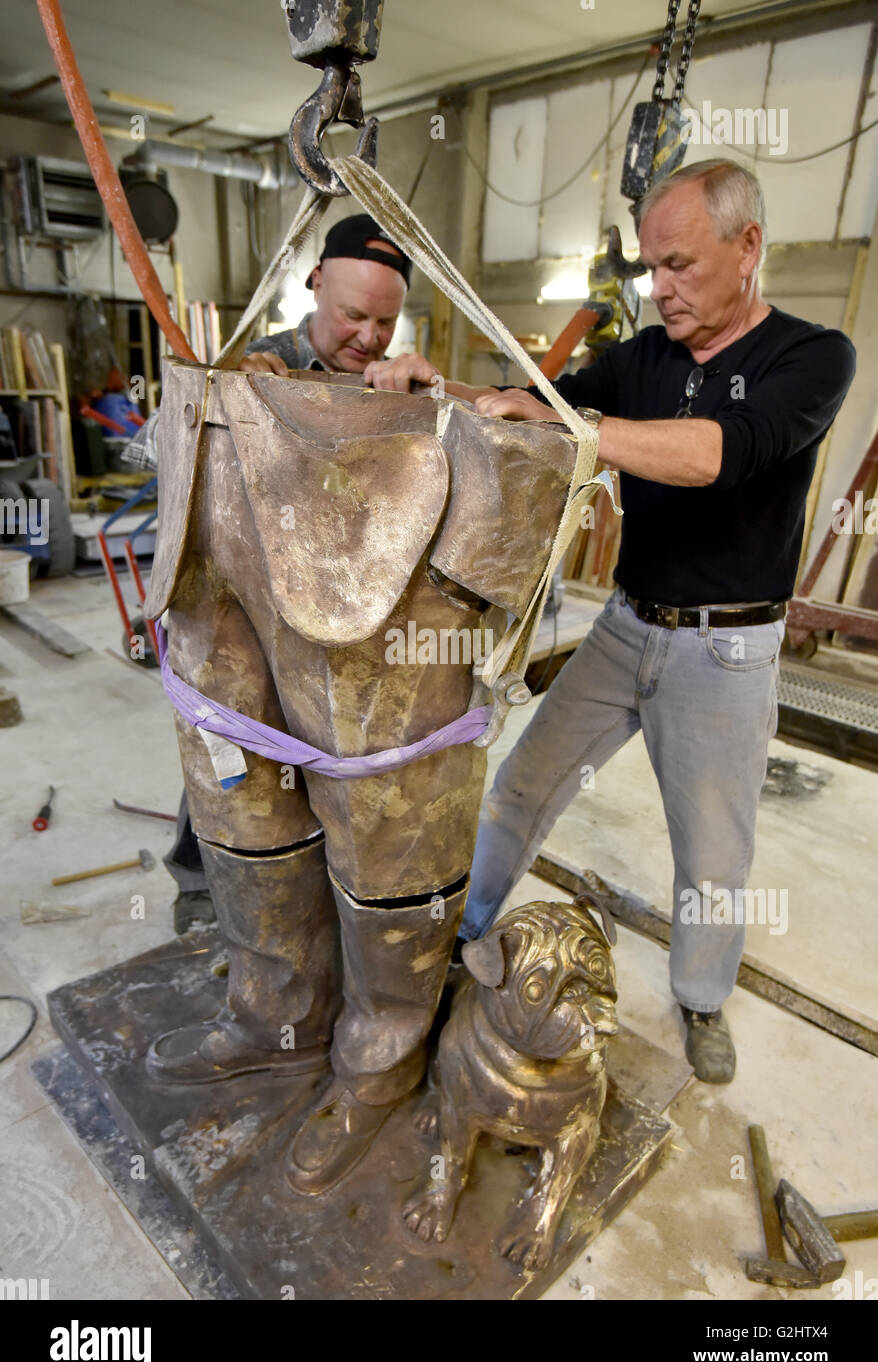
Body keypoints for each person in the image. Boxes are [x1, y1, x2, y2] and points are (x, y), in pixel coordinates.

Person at [364, 158, 856, 1084]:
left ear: (747, 246)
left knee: (712, 847)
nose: (660, 289)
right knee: (521, 784)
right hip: (626, 625)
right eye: (650, 269)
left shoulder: (812, 357)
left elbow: (719, 454)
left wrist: (579, 435)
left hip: (726, 649)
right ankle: (460, 936)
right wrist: (446, 391)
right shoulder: (646, 357)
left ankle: (702, 998)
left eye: (679, 265)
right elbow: (545, 410)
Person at [126, 214, 412, 933]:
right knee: (228, 757)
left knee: (323, 773)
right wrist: (220, 394)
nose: (368, 338)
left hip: (337, 617)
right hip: (238, 614)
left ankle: (300, 911)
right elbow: (147, 452)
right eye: (352, 314)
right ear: (315, 284)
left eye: (386, 321)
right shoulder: (254, 363)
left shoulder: (393, 383)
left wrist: (427, 403)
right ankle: (198, 889)